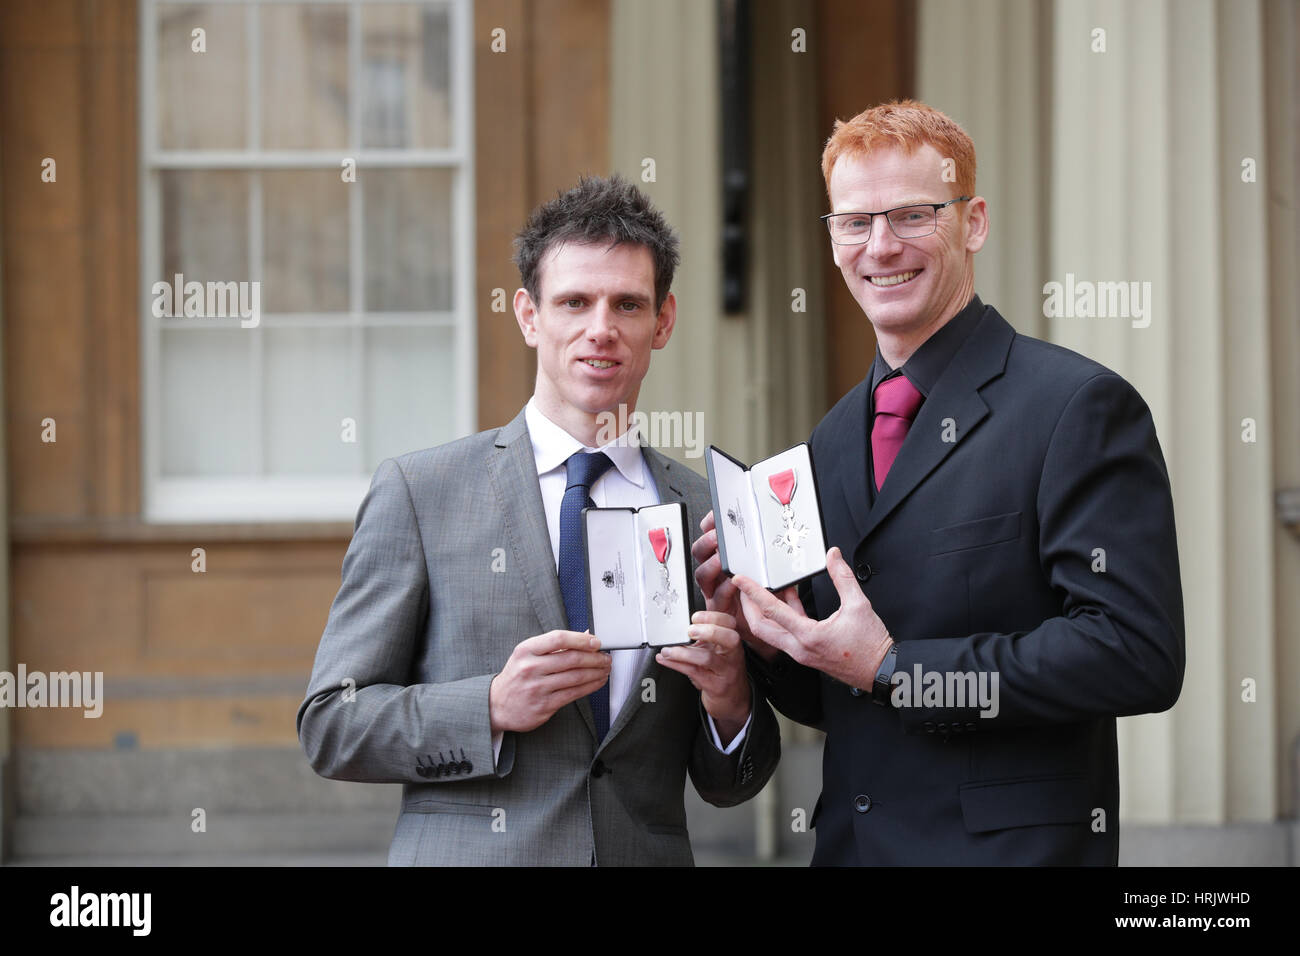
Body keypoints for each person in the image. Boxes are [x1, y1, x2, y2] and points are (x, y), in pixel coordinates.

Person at [695, 100, 1184, 865]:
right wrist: (769, 633)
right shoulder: (826, 443)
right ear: (832, 241)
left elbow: (1135, 655)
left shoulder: (1077, 408)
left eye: (912, 215)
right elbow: (841, 691)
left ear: (974, 222)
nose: (880, 246)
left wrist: (898, 670)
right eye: (854, 223)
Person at [298, 175, 779, 866]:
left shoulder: (707, 512)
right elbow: (330, 724)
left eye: (628, 304)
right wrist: (488, 706)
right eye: (574, 302)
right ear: (529, 315)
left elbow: (734, 782)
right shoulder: (420, 492)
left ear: (663, 321)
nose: (601, 329)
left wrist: (731, 700)